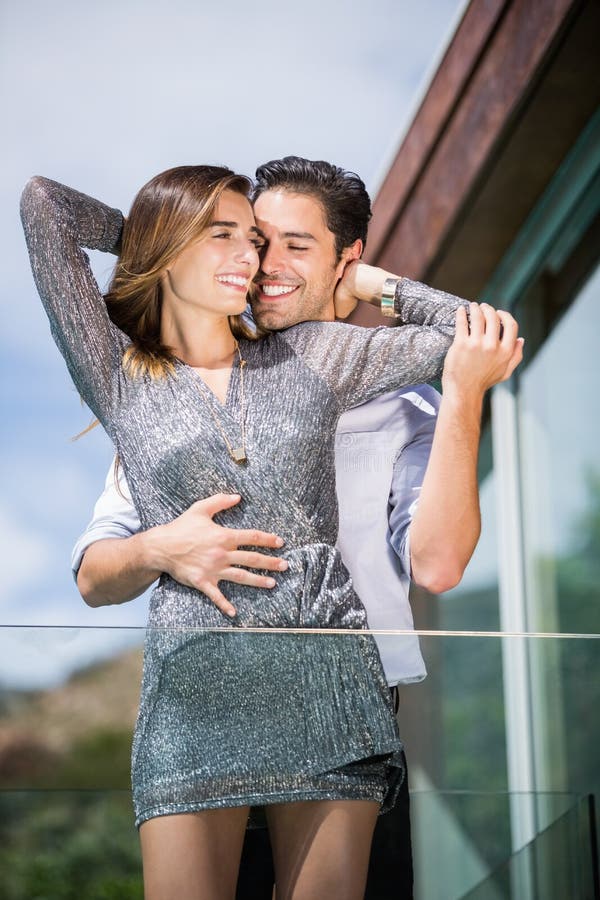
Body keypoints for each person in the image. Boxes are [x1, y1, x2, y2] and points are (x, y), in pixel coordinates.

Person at [21, 162, 520, 900]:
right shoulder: (121, 377)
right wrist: (169, 235)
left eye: (256, 242)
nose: (253, 260)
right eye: (237, 238)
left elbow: (480, 335)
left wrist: (374, 286)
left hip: (333, 686)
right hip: (192, 700)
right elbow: (44, 207)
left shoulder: (319, 355)